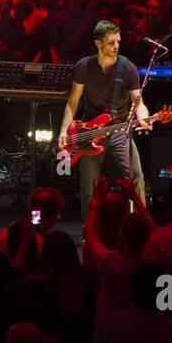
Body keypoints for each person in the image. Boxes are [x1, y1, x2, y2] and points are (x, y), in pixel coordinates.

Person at [60, 19, 153, 213]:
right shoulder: (84, 66)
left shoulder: (127, 68)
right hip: (89, 131)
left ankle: (141, 224)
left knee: (136, 176)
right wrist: (63, 131)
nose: (116, 46)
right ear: (98, 43)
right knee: (89, 187)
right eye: (111, 42)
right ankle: (89, 232)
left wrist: (144, 117)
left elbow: (139, 102)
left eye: (118, 42)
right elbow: (73, 101)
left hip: (119, 129)